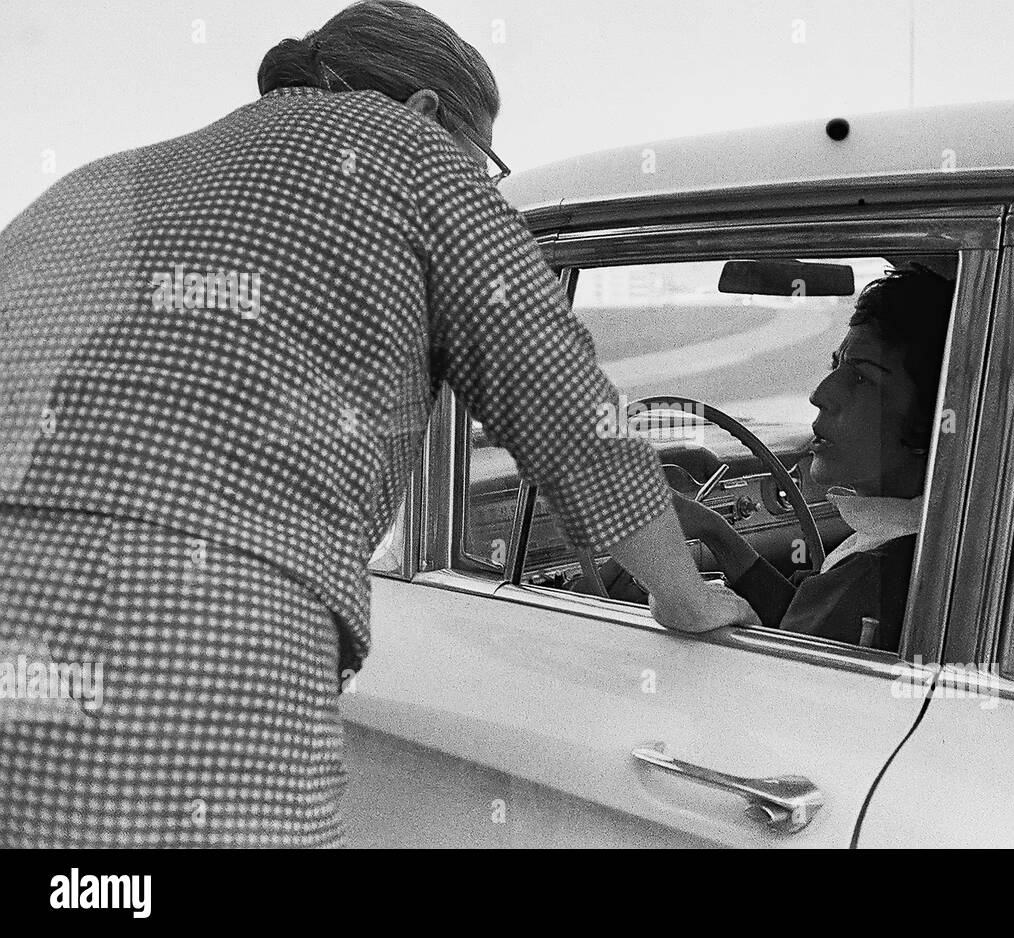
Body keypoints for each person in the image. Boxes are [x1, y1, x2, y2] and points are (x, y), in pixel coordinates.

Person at [0, 0, 754, 848]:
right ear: (427, 110)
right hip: (182, 626)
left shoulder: (100, 180)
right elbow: (561, 401)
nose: (483, 185)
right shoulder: (408, 149)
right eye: (485, 163)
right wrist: (684, 595)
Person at [672, 264, 954, 651]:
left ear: (930, 418)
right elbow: (799, 618)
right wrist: (713, 529)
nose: (820, 394)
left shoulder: (871, 577)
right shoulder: (921, 534)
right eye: (836, 366)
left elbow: (778, 666)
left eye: (862, 378)